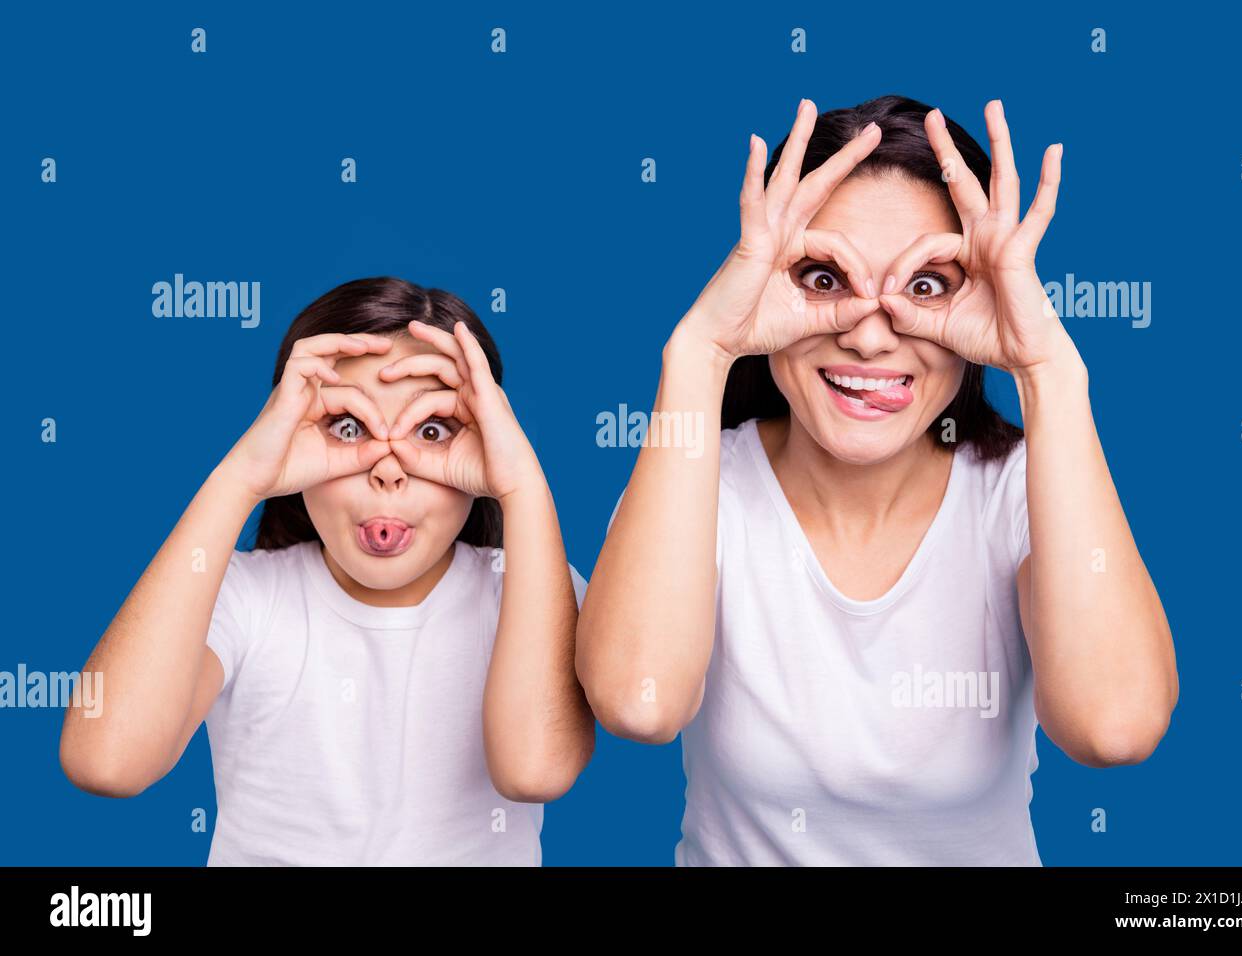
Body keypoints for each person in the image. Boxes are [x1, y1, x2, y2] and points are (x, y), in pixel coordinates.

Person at [575, 95, 1179, 865]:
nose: (868, 333)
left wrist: (1047, 370)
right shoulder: (702, 482)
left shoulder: (1022, 494)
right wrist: (700, 349)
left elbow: (1115, 727)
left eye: (925, 286)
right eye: (825, 278)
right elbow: (638, 702)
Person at [60, 277, 593, 865]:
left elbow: (536, 770)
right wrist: (241, 479)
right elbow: (106, 761)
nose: (388, 470)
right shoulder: (244, 595)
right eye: (350, 426)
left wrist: (521, 486)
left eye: (432, 429)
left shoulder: (526, 591)